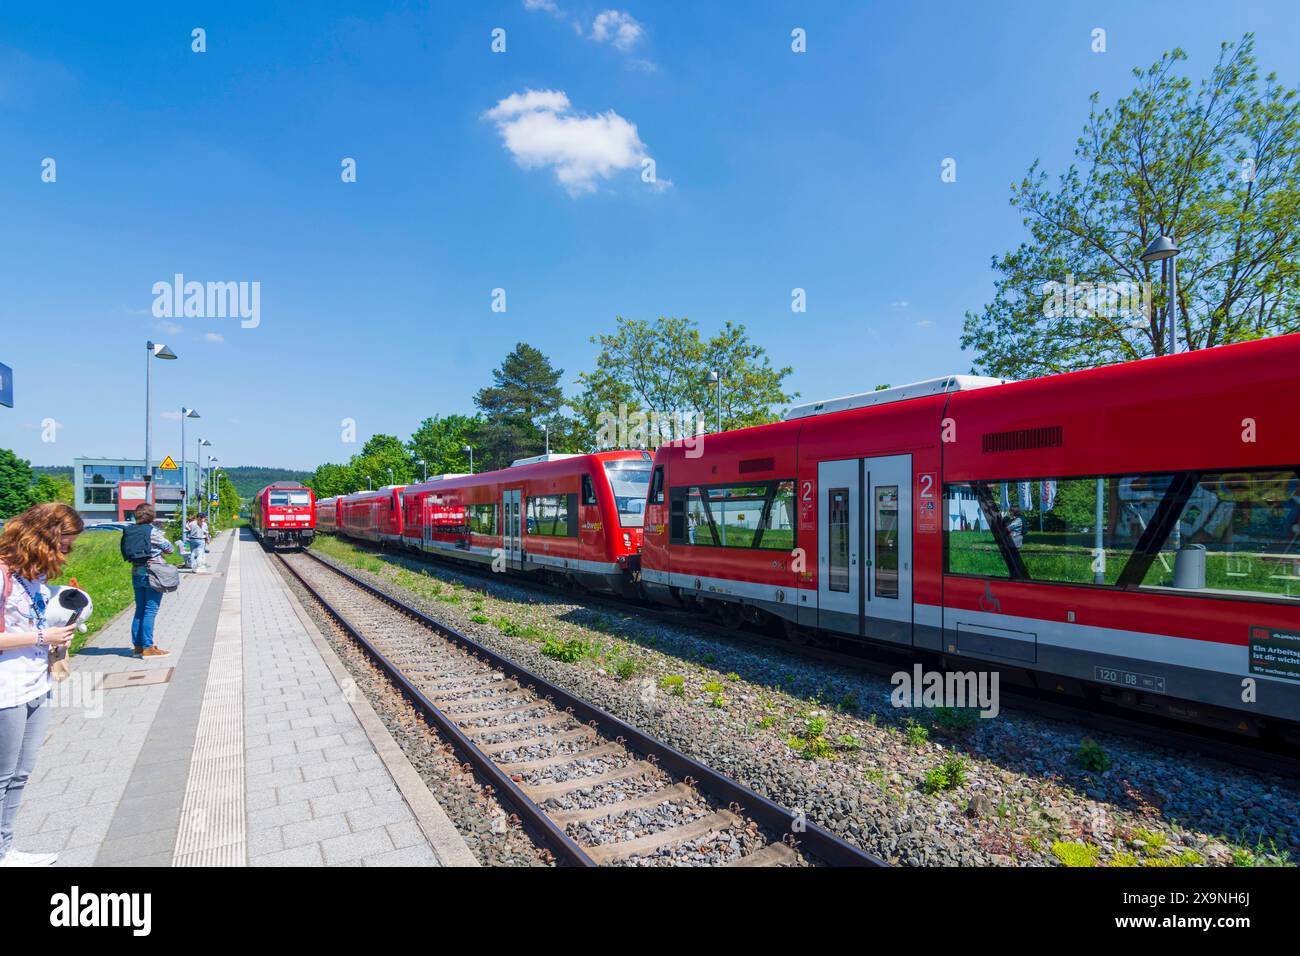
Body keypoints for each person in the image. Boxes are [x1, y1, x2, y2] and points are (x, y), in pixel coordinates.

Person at [0, 502, 83, 867]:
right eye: (66, 540)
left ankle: (5, 849)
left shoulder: (34, 577)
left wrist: (57, 637)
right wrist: (40, 635)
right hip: (6, 688)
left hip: (36, 683)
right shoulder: (2, 574)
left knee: (21, 773)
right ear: (44, 536)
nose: (69, 548)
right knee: (2, 776)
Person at [128, 504, 173, 658]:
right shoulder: (152, 532)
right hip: (153, 573)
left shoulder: (130, 531)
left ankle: (138, 647)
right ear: (152, 516)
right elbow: (169, 548)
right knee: (150, 610)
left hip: (136, 572)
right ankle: (148, 647)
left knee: (139, 609)